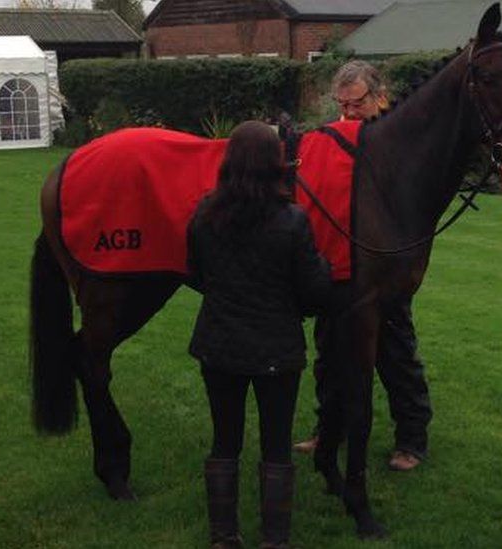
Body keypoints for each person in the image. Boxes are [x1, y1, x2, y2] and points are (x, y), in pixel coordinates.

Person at [187, 120, 332, 549]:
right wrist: (321, 268)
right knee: (277, 445)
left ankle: (223, 536)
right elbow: (313, 294)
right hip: (276, 349)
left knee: (224, 439)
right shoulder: (292, 220)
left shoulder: (204, 213)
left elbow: (196, 274)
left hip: (218, 345)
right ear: (276, 162)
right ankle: (274, 539)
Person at [293, 60, 433, 472]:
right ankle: (328, 431)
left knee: (396, 352)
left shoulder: (400, 136)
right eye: (342, 106)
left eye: (357, 104)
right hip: (340, 261)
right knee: (329, 352)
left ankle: (411, 438)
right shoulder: (336, 137)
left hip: (386, 264)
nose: (349, 114)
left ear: (379, 96)